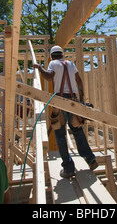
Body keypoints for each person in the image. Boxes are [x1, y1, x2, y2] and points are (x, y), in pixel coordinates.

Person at [33, 45, 98, 178]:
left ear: (52, 56)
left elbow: (49, 76)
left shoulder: (53, 63)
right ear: (62, 54)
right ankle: (90, 158)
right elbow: (78, 80)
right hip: (73, 101)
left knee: (60, 133)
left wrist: (40, 68)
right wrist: (81, 98)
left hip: (60, 101)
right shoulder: (70, 64)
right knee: (77, 130)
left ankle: (68, 168)